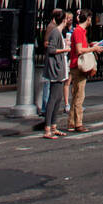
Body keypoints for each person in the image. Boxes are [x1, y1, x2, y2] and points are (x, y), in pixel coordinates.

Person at [68, 7, 102, 133]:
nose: (91, 21)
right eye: (90, 18)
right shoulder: (78, 31)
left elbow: (81, 47)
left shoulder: (81, 31)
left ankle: (72, 122)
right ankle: (78, 123)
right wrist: (93, 49)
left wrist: (91, 45)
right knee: (79, 96)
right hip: (78, 66)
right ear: (87, 19)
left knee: (76, 94)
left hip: (76, 65)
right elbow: (79, 50)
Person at [42, 8, 68, 140]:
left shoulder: (59, 33)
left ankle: (53, 126)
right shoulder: (55, 32)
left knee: (58, 98)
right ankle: (48, 128)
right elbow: (51, 50)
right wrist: (65, 49)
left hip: (60, 67)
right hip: (55, 68)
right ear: (63, 20)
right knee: (53, 98)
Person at [61, 10, 74, 114]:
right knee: (66, 81)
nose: (70, 20)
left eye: (71, 18)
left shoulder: (73, 29)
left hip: (72, 56)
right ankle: (66, 103)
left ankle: (74, 103)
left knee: (72, 80)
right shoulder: (63, 30)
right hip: (66, 56)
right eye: (68, 18)